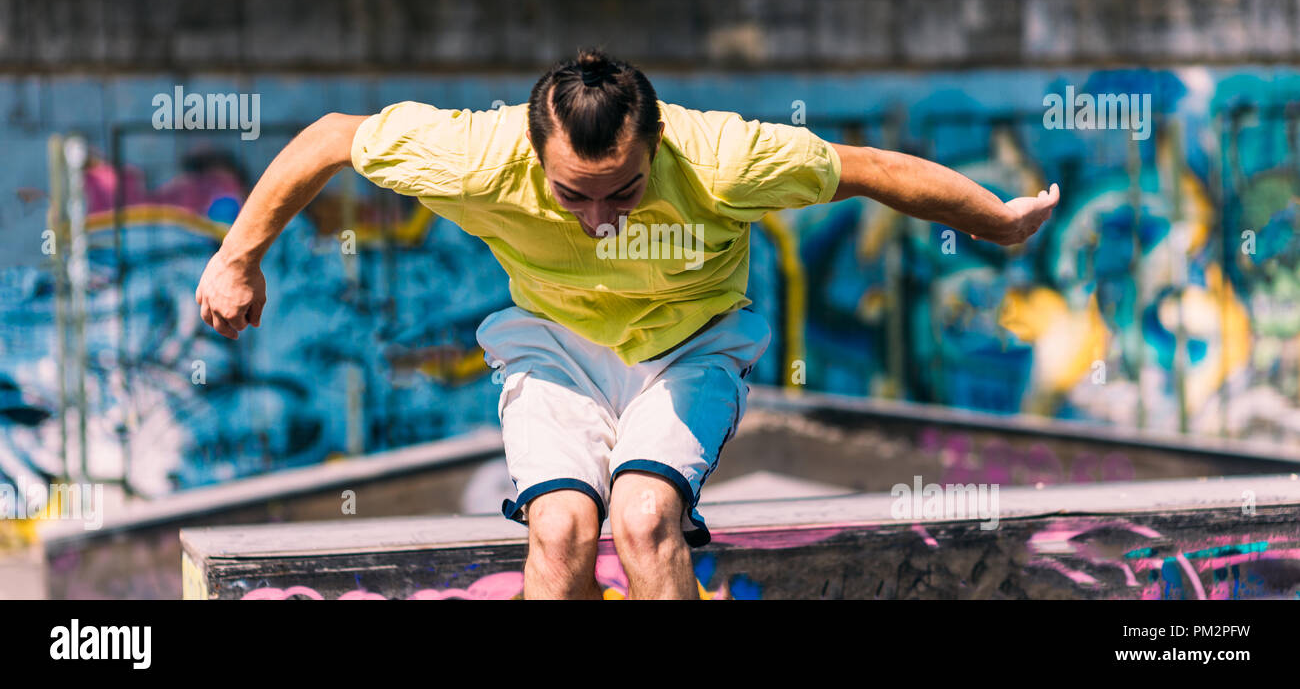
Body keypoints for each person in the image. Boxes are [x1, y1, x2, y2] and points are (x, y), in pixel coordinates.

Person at [194, 47, 1059, 599]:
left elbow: (867, 167)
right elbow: (333, 137)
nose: (601, 217)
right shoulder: (473, 152)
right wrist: (237, 256)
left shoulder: (725, 157)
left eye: (625, 191)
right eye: (575, 194)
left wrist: (996, 219)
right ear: (535, 153)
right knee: (563, 528)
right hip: (552, 344)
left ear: (656, 146)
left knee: (644, 520)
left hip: (690, 347)